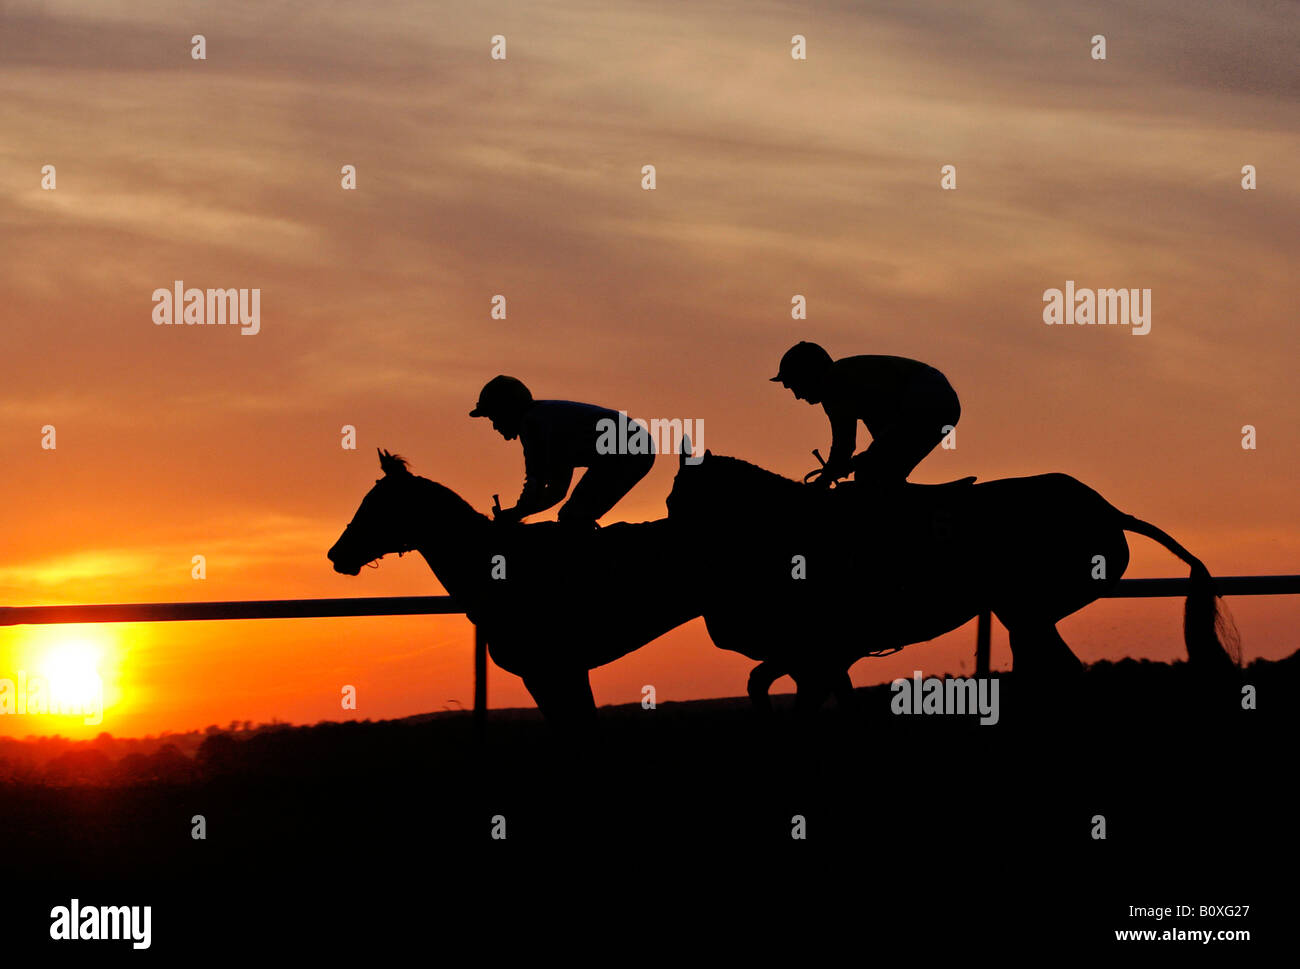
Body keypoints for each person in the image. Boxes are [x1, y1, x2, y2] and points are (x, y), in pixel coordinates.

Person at [470, 375, 654, 529]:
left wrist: (515, 513)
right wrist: (518, 512)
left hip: (627, 449)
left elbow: (536, 481)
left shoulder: (532, 424)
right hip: (634, 447)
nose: (494, 426)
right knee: (573, 516)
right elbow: (557, 491)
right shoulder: (547, 421)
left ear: (507, 410)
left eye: (493, 417)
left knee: (574, 516)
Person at [770, 342, 959, 490]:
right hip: (937, 400)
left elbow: (844, 444)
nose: (797, 395)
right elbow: (880, 442)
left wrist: (826, 478)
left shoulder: (834, 383)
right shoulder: (856, 383)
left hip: (926, 399)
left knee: (870, 472)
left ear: (808, 375)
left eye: (793, 385)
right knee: (881, 472)